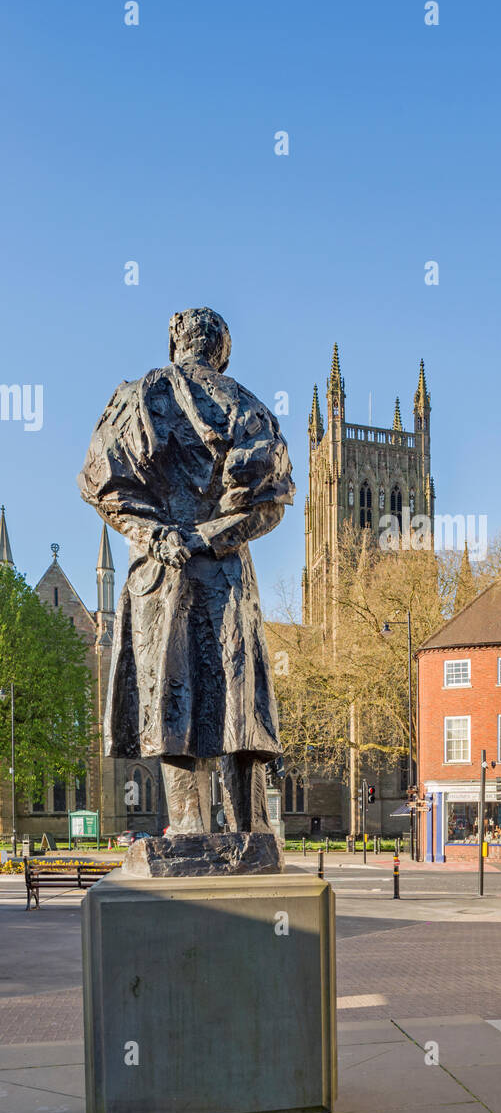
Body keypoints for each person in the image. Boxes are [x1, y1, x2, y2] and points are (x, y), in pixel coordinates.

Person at [78, 307, 295, 841]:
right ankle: (252, 830)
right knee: (237, 697)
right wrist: (210, 535)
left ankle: (190, 828)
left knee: (172, 692)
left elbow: (101, 487)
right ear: (221, 350)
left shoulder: (136, 399)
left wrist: (157, 535)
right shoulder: (246, 408)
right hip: (225, 573)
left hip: (160, 572)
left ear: (176, 344)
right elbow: (269, 501)